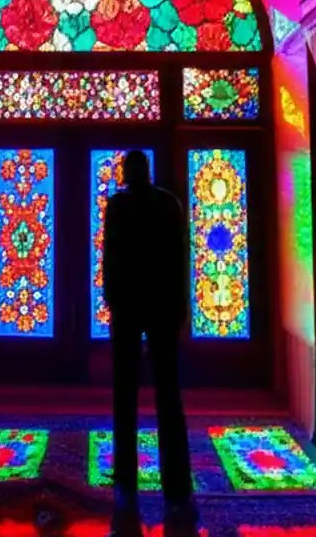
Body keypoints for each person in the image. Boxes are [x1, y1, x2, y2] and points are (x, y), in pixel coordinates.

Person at [103, 150, 196, 535]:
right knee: (168, 398)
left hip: (129, 307)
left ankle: (127, 481)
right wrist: (179, 307)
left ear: (129, 172)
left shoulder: (119, 205)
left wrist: (112, 300)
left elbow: (109, 258)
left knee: (126, 398)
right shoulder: (167, 204)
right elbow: (179, 258)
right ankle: (176, 485)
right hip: (160, 307)